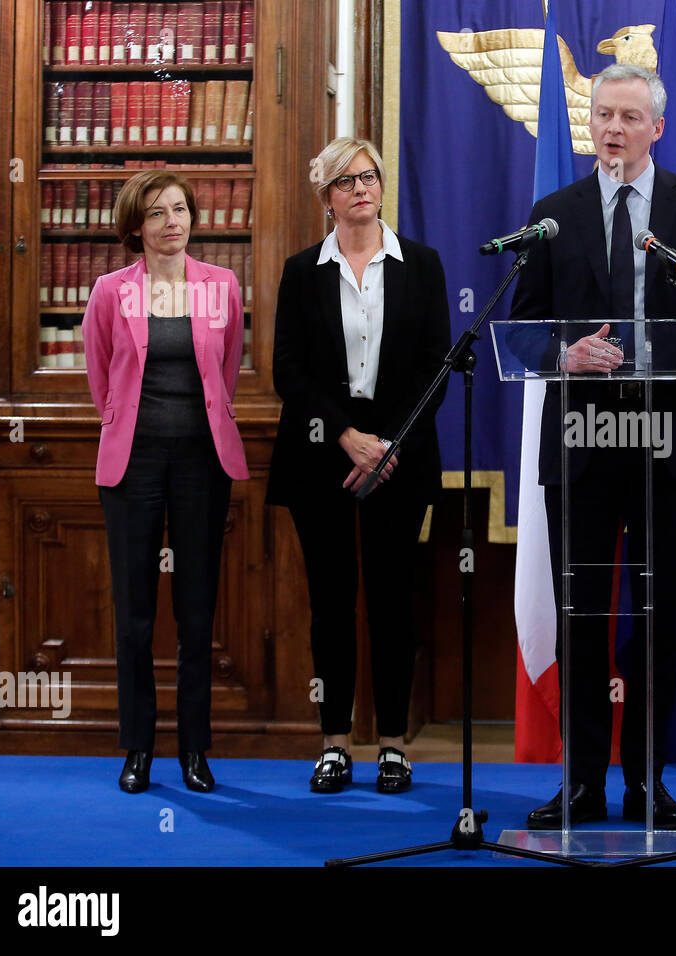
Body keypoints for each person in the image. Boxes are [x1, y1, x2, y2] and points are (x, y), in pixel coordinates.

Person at [509, 63, 676, 829]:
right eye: (602, 114)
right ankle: (580, 783)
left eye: (629, 117)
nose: (612, 128)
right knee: (580, 615)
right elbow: (528, 329)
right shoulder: (552, 213)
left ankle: (646, 781)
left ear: (656, 129)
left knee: (659, 614)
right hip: (580, 441)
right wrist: (564, 353)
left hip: (664, 438)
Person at [267, 137, 451, 794]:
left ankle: (395, 744)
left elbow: (437, 365)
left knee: (394, 601)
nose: (361, 189)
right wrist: (347, 437)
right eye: (345, 181)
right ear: (326, 198)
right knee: (330, 603)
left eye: (369, 176)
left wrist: (388, 443)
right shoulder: (300, 271)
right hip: (323, 455)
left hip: (399, 455)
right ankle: (335, 742)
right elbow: (288, 369)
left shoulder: (422, 265)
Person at [83, 170, 249, 794]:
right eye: (157, 213)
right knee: (134, 613)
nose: (172, 222)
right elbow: (103, 381)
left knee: (196, 609)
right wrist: (136, 427)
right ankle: (138, 748)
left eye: (180, 209)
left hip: (203, 461)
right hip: (133, 462)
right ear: (136, 227)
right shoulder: (109, 292)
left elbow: (225, 371)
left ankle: (194, 750)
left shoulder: (221, 286)